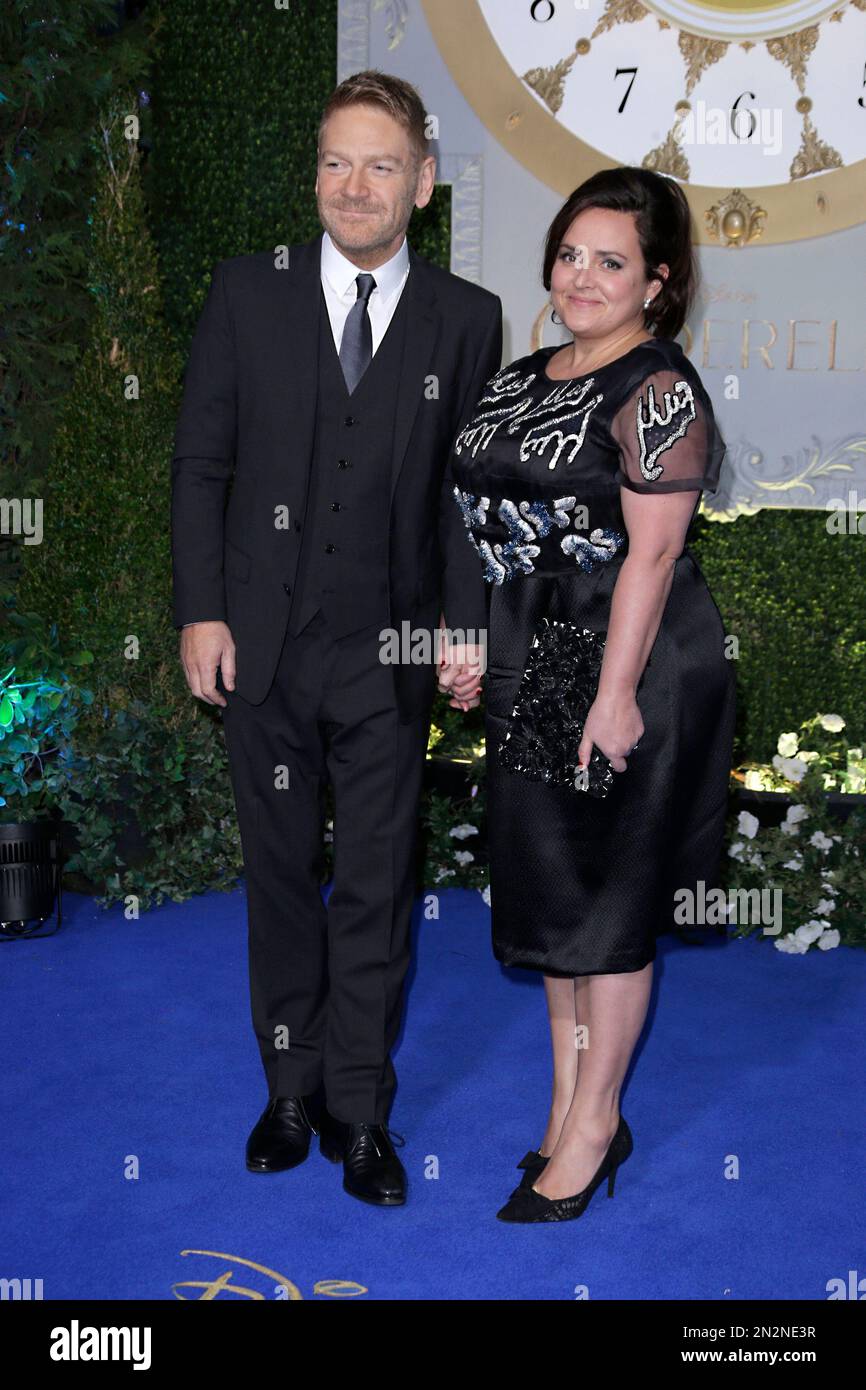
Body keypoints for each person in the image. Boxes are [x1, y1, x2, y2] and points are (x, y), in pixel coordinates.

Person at [171, 70, 500, 1207]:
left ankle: (358, 1108)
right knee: (277, 878)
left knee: (373, 879)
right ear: (315, 173)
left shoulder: (465, 317)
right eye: (333, 161)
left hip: (390, 653)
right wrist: (199, 609)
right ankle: (288, 1089)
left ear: (419, 185)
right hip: (260, 642)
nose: (351, 185)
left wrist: (465, 623)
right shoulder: (244, 294)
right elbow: (200, 464)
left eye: (378, 165)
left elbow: (463, 492)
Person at [449, 166, 736, 1223]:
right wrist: (479, 643)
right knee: (554, 895)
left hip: (629, 654)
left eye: (609, 262)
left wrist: (613, 698)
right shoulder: (527, 373)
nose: (580, 276)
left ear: (656, 284)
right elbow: (488, 530)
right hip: (535, 655)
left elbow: (652, 561)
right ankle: (571, 1100)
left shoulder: (656, 389)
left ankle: (594, 1121)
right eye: (569, 254)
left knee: (608, 903)